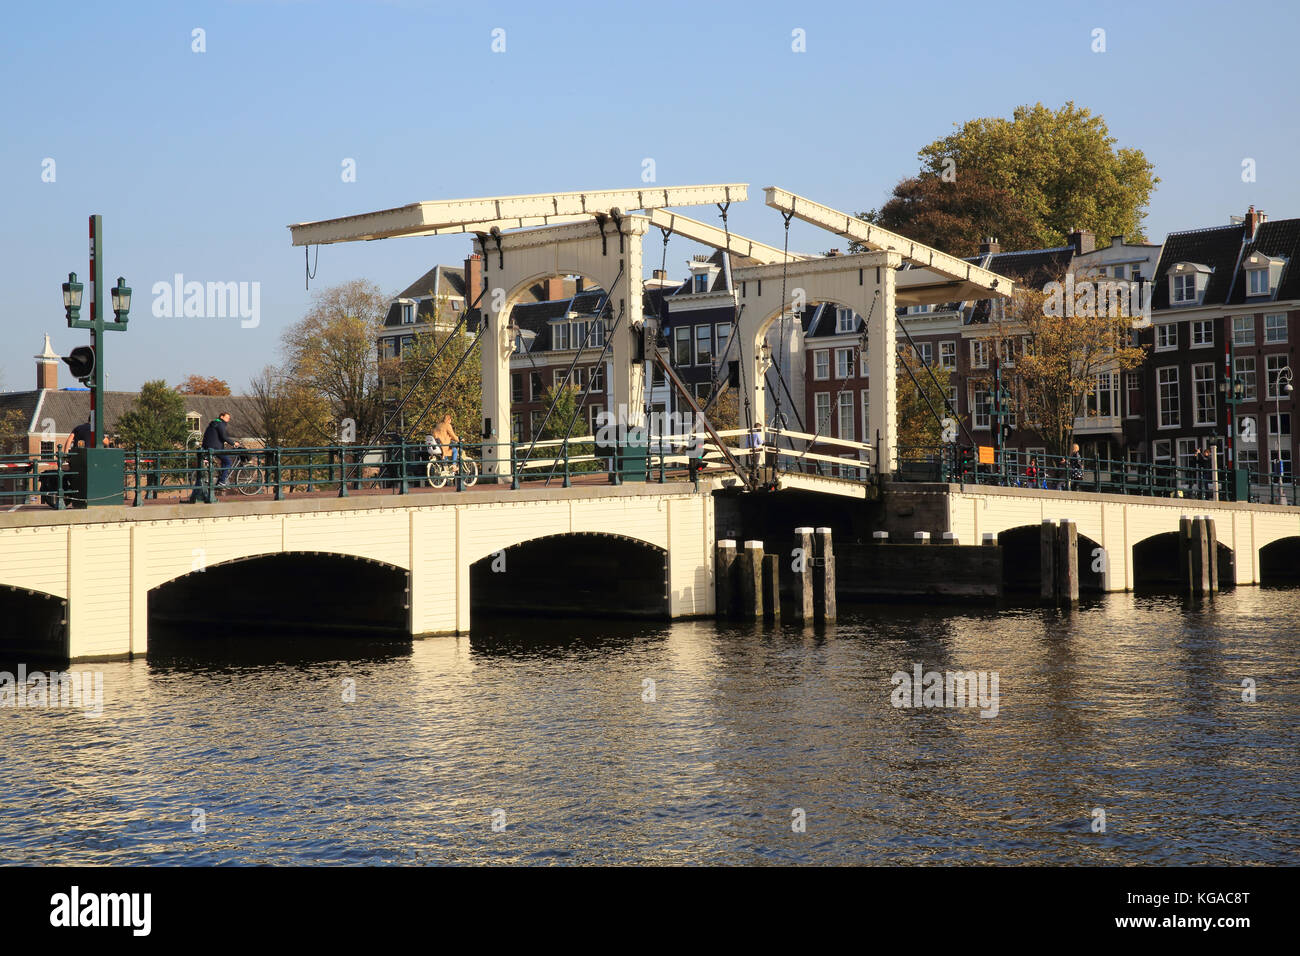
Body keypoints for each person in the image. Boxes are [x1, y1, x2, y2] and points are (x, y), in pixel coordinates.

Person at [188, 412, 240, 501]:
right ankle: (222, 481)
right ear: (221, 417)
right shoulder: (220, 424)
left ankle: (219, 477)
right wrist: (233, 443)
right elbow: (223, 436)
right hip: (215, 448)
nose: (228, 419)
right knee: (227, 462)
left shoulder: (213, 424)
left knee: (221, 461)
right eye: (227, 417)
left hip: (207, 447)